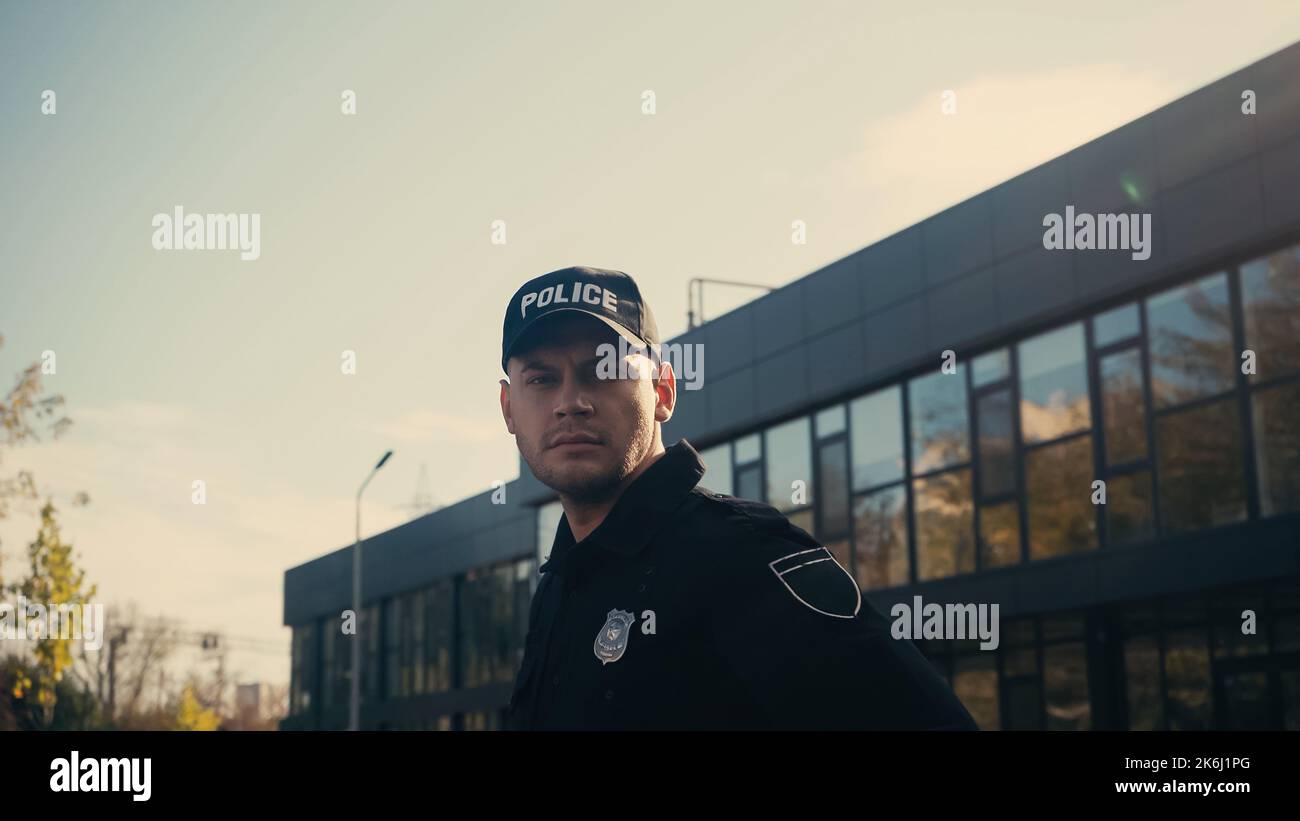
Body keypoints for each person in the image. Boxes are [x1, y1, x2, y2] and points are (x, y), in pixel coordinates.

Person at [499, 265, 977, 730]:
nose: (570, 401)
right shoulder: (557, 589)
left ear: (663, 391)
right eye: (541, 379)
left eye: (600, 371)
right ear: (508, 409)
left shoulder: (745, 556)